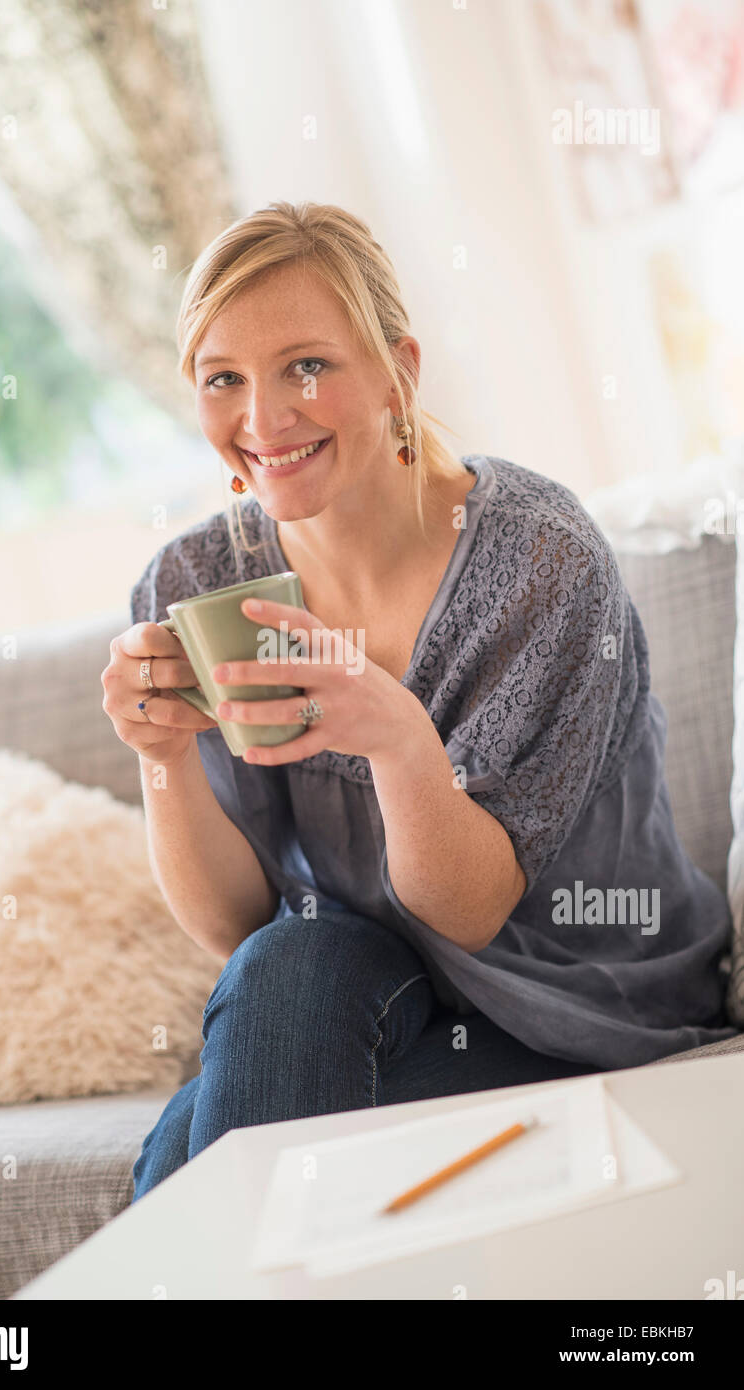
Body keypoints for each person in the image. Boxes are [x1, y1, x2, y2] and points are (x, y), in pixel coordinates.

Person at [100, 202, 737, 1199]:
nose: (263, 421)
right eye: (224, 378)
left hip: (581, 1009)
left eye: (307, 366)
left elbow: (470, 907)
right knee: (287, 964)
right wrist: (164, 756)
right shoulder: (195, 582)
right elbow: (237, 926)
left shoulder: (539, 560)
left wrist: (399, 738)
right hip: (352, 989)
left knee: (195, 1163)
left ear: (400, 368)